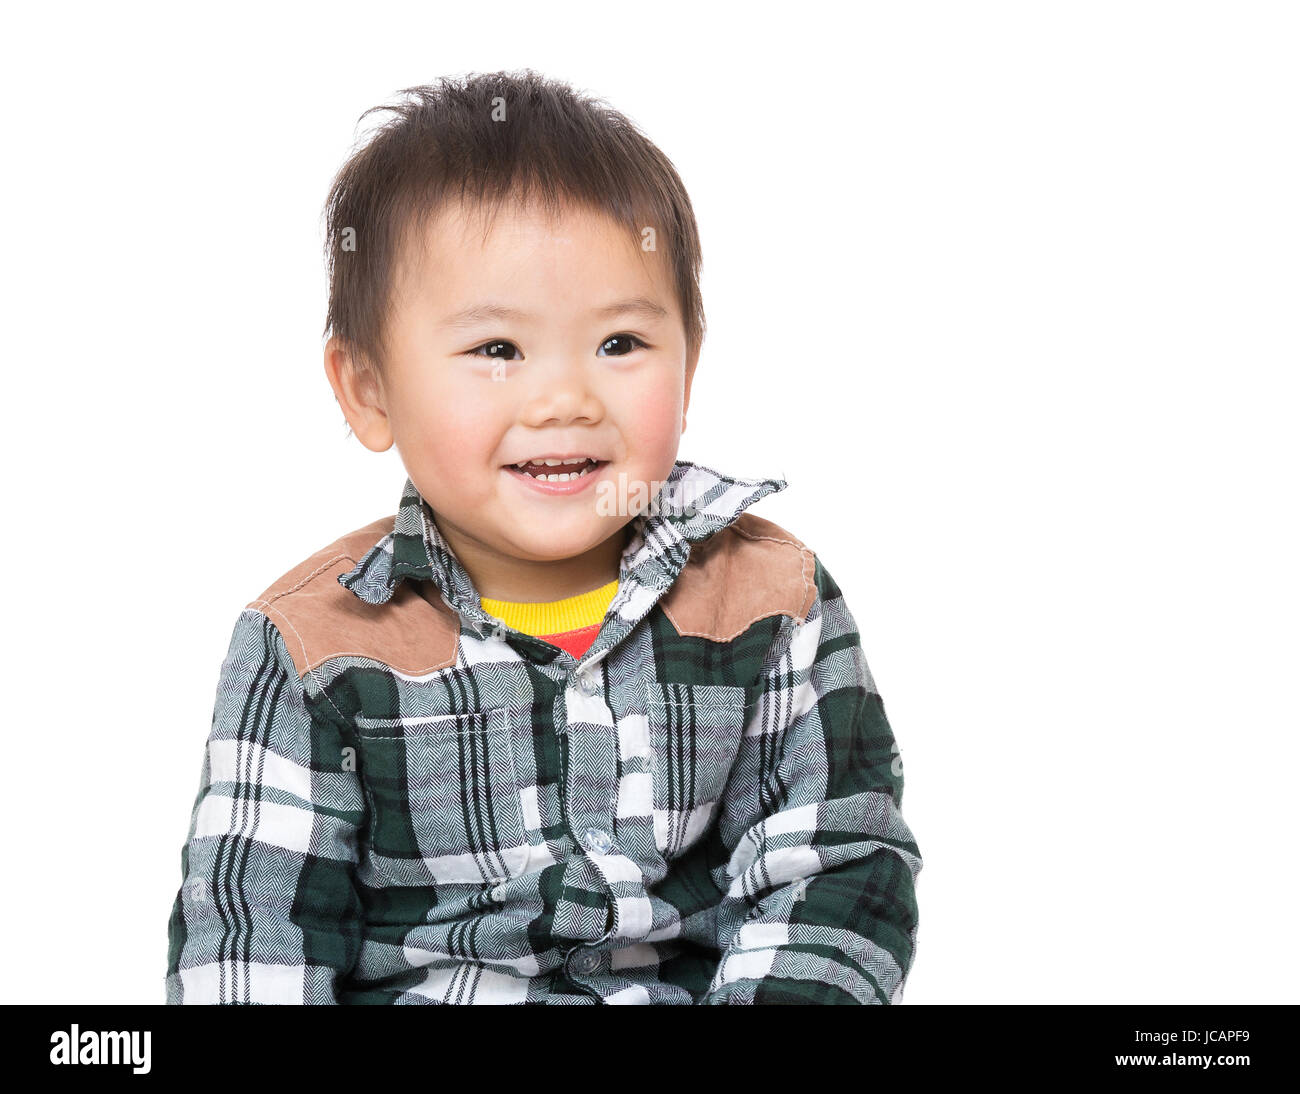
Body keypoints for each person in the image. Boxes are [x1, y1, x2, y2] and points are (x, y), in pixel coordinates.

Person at [164, 69, 922, 1004]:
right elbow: (248, 933)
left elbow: (838, 864)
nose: (564, 399)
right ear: (368, 389)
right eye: (496, 352)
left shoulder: (772, 600)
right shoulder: (312, 647)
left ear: (690, 362)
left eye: (619, 345)